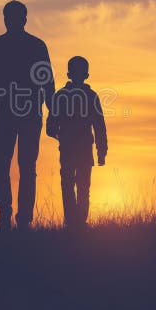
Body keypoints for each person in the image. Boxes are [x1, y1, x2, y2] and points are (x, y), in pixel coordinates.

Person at [0, 0, 55, 231]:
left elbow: (47, 82)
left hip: (29, 114)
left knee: (25, 167)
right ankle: (7, 214)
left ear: (23, 19)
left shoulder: (36, 46)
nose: (9, 20)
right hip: (7, 114)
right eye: (6, 16)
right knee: (3, 166)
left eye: (12, 16)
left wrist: (54, 114)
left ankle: (23, 219)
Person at [47, 56, 107, 229]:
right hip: (78, 148)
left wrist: (59, 133)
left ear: (68, 74)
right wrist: (101, 151)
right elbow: (99, 126)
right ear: (86, 75)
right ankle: (78, 222)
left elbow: (51, 126)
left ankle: (75, 222)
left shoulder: (62, 96)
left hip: (71, 148)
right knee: (81, 186)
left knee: (71, 185)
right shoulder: (90, 96)